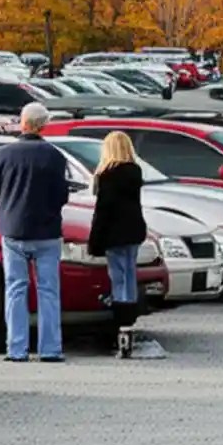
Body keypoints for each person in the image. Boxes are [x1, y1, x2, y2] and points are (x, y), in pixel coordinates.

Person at [0, 102, 71, 363]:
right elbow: (61, 195)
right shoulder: (55, 156)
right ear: (44, 125)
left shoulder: (1, 155)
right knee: (49, 291)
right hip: (46, 231)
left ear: (22, 123)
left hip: (13, 229)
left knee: (15, 289)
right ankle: (50, 349)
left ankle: (17, 349)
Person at [87, 131, 147, 340]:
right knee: (129, 273)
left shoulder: (107, 175)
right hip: (134, 230)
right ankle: (130, 317)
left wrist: (94, 241)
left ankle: (121, 321)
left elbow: (103, 210)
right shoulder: (135, 172)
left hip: (114, 232)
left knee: (118, 276)